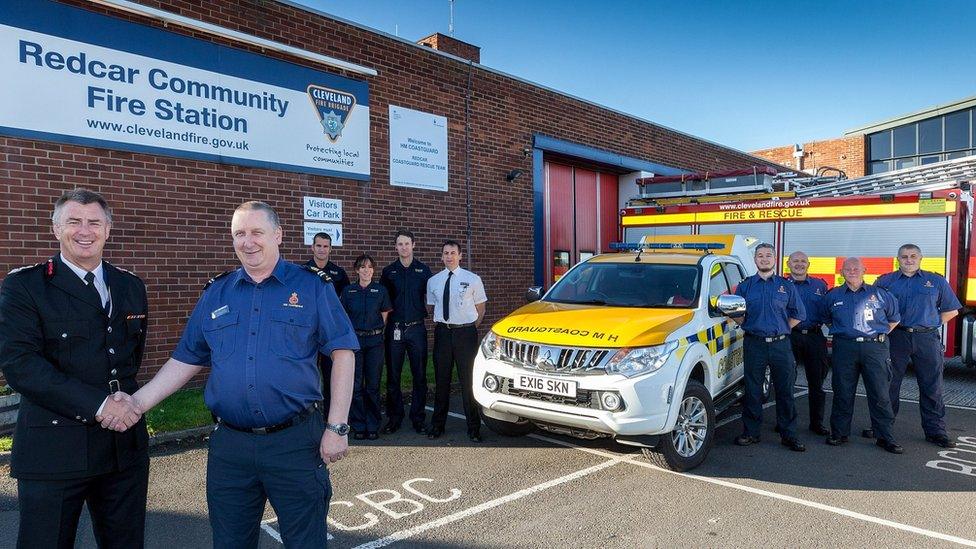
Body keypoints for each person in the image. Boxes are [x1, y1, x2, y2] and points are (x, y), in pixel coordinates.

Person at [124, 201, 359, 548]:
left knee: (306, 542)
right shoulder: (217, 292)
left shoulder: (312, 287)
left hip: (294, 444)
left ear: (278, 234)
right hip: (230, 448)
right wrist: (136, 403)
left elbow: (342, 352)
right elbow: (186, 359)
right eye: (239, 234)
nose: (248, 242)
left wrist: (337, 426)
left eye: (256, 232)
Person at [0, 188, 149, 548]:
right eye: (74, 221)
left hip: (121, 449)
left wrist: (120, 409)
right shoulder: (26, 286)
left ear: (108, 229)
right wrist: (100, 406)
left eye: (94, 222)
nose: (85, 230)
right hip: (55, 448)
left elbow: (129, 361)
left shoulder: (130, 285)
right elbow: (20, 364)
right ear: (56, 229)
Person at [875, 244, 961, 448]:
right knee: (889, 385)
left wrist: (930, 323)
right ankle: (883, 429)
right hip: (896, 338)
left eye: (913, 256)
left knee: (932, 387)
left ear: (921, 258)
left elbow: (952, 310)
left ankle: (936, 431)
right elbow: (876, 310)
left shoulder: (936, 281)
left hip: (927, 339)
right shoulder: (885, 281)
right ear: (898, 259)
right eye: (904, 256)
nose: (909, 259)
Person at [728, 243, 807, 452]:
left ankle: (789, 434)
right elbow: (735, 312)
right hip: (754, 343)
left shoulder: (785, 286)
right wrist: (746, 324)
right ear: (755, 260)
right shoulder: (745, 287)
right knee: (753, 390)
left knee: (785, 390)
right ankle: (751, 433)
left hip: (781, 344)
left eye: (768, 255)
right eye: (760, 256)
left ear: (775, 259)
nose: (764, 259)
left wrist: (781, 329)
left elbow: (799, 314)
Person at [824, 257, 903, 454]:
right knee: (842, 391)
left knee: (880, 394)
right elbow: (826, 319)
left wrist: (876, 336)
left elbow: (894, 319)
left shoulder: (881, 294)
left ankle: (885, 437)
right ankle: (840, 433)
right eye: (848, 269)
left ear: (864, 270)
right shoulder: (833, 295)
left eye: (856, 268)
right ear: (842, 272)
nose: (852, 271)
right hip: (844, 348)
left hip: (874, 349)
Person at [426, 240, 487, 442]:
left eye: (453, 252)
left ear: (460, 256)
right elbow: (432, 306)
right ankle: (437, 425)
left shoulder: (473, 279)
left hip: (465, 334)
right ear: (441, 256)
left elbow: (481, 309)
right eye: (446, 253)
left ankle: (473, 427)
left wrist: (468, 328)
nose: (449, 256)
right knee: (441, 381)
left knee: (468, 380)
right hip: (443, 333)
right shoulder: (433, 281)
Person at [380, 229, 433, 434]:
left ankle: (418, 418)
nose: (404, 247)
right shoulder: (388, 272)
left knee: (419, 375)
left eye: (407, 243)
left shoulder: (423, 270)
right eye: (400, 244)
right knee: (393, 376)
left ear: (413, 245)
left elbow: (431, 297)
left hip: (416, 329)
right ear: (396, 247)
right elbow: (383, 302)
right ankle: (394, 418)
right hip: (395, 330)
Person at [340, 254, 392, 440]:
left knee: (372, 386)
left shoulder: (380, 290)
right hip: (355, 342)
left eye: (369, 267)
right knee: (355, 385)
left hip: (375, 342)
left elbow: (384, 314)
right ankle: (358, 424)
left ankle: (373, 425)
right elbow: (343, 316)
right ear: (356, 270)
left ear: (373, 270)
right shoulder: (348, 291)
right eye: (362, 267)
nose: (366, 270)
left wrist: (375, 332)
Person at [304, 232, 350, 417]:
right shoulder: (303, 272)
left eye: (325, 246)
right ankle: (308, 416)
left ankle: (331, 417)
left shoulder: (339, 274)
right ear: (312, 247)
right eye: (319, 246)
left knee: (332, 375)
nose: (322, 249)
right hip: (308, 332)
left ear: (330, 249)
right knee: (307, 373)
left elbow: (344, 304)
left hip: (330, 333)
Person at [785, 251, 831, 436]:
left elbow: (828, 309)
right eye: (795, 261)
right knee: (786, 381)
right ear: (788, 264)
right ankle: (786, 422)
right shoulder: (781, 285)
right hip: (789, 336)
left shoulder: (820, 285)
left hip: (814, 337)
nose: (799, 264)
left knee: (817, 382)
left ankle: (817, 423)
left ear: (808, 264)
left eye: (803, 261)